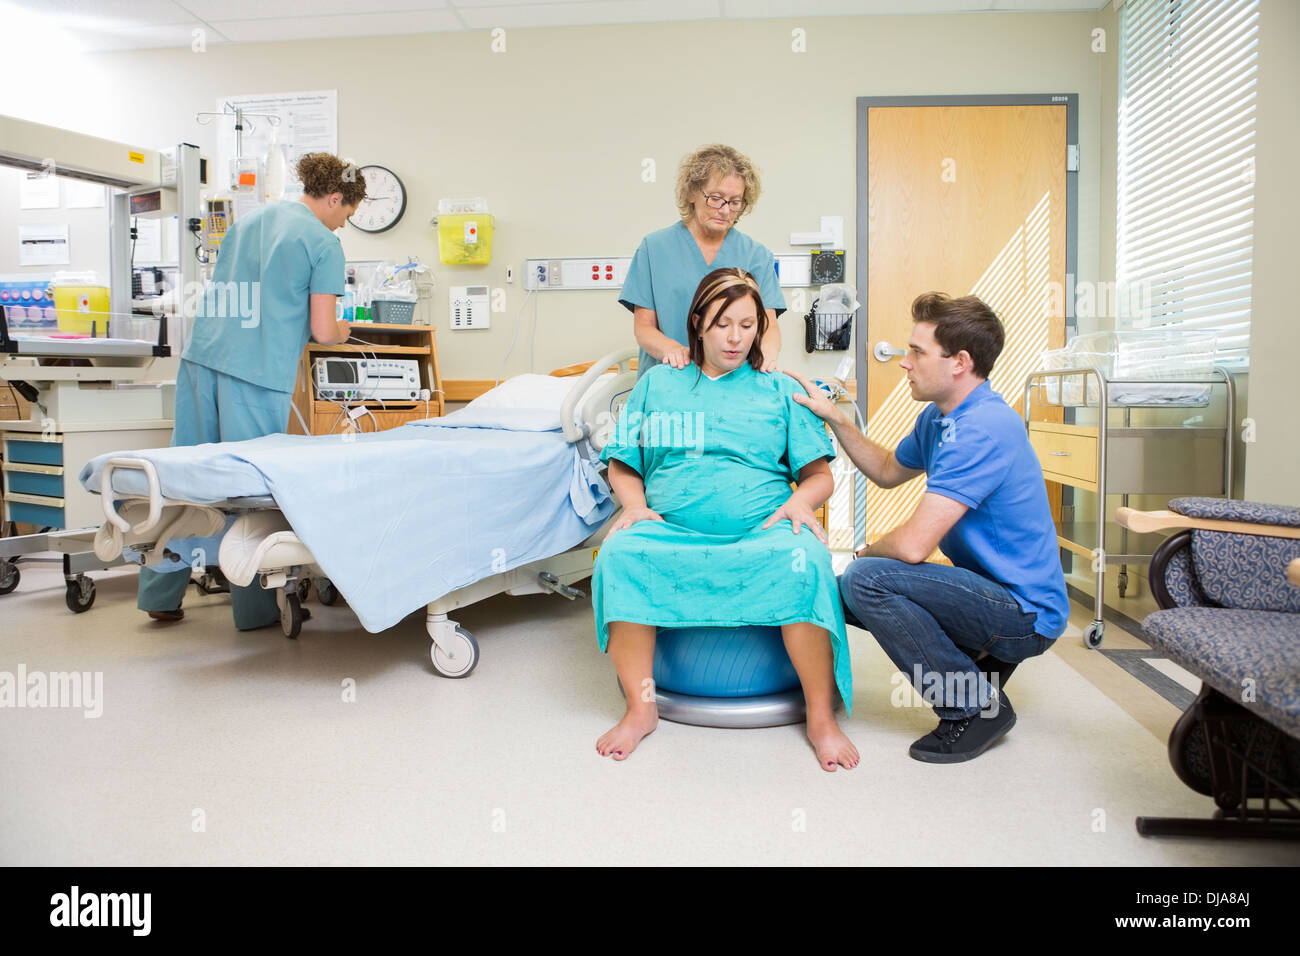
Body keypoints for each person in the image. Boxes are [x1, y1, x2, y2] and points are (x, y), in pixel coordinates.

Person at [593, 268, 857, 772]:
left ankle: (821, 718)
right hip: (670, 531)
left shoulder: (778, 389)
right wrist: (632, 505)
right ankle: (641, 708)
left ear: (761, 327)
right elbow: (623, 463)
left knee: (805, 560)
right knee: (621, 554)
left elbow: (819, 474)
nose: (735, 338)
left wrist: (803, 501)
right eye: (721, 324)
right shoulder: (658, 384)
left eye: (747, 324)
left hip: (762, 532)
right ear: (698, 323)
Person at [786, 293, 1069, 764]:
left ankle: (974, 706)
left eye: (917, 352)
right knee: (840, 592)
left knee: (864, 582)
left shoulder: (982, 428)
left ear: (960, 362)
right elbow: (888, 468)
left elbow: (915, 546)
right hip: (989, 589)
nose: (905, 362)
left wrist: (862, 554)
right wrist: (836, 418)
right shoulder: (940, 418)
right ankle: (979, 664)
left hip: (1025, 612)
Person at [137, 153, 364, 628]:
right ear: (336, 198)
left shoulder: (248, 222)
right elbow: (323, 332)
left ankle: (159, 593)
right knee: (249, 492)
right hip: (256, 374)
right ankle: (255, 610)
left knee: (184, 479)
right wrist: (346, 329)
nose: (343, 226)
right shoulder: (323, 244)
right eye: (346, 215)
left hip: (202, 360)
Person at [620, 144, 784, 376]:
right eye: (716, 198)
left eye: (735, 202)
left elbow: (769, 328)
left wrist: (767, 357)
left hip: (735, 382)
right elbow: (643, 328)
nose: (725, 210)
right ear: (692, 193)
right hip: (671, 378)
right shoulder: (654, 249)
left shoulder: (756, 255)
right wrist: (675, 351)